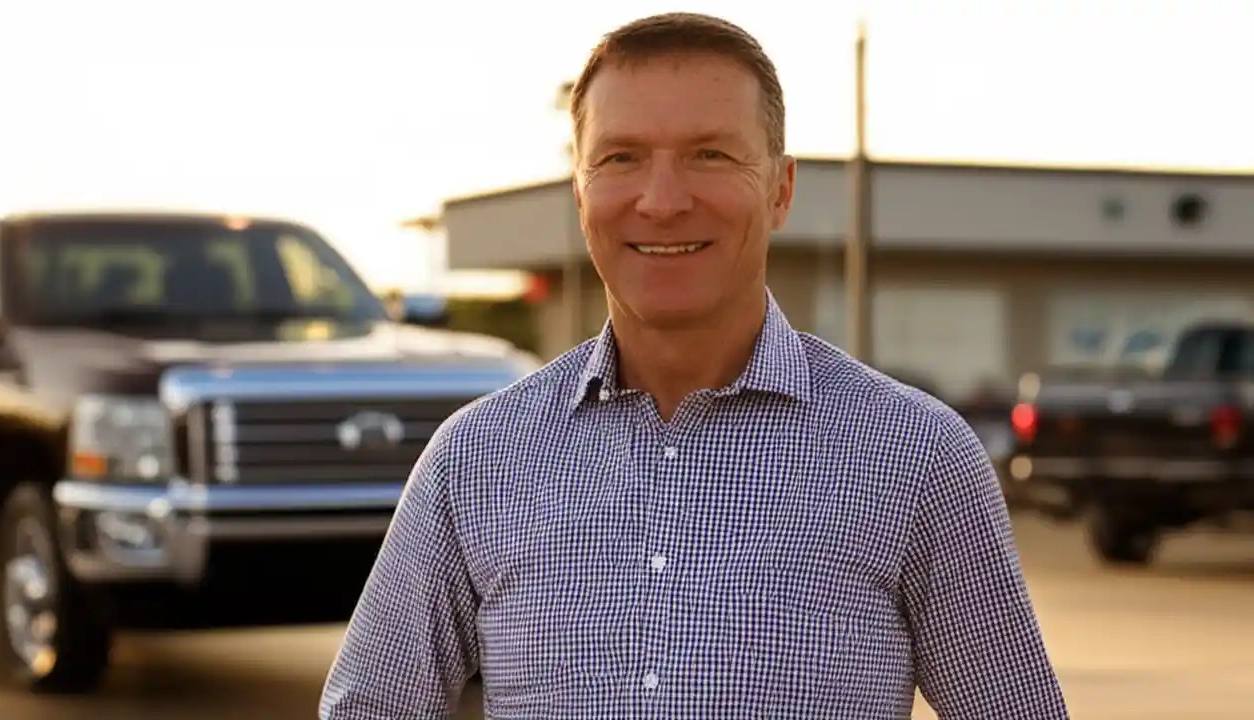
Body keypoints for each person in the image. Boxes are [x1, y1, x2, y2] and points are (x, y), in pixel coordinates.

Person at [320, 11, 1069, 719]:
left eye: (710, 154)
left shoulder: (917, 457)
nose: (663, 199)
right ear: (581, 195)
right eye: (621, 159)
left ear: (780, 189)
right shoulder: (475, 461)